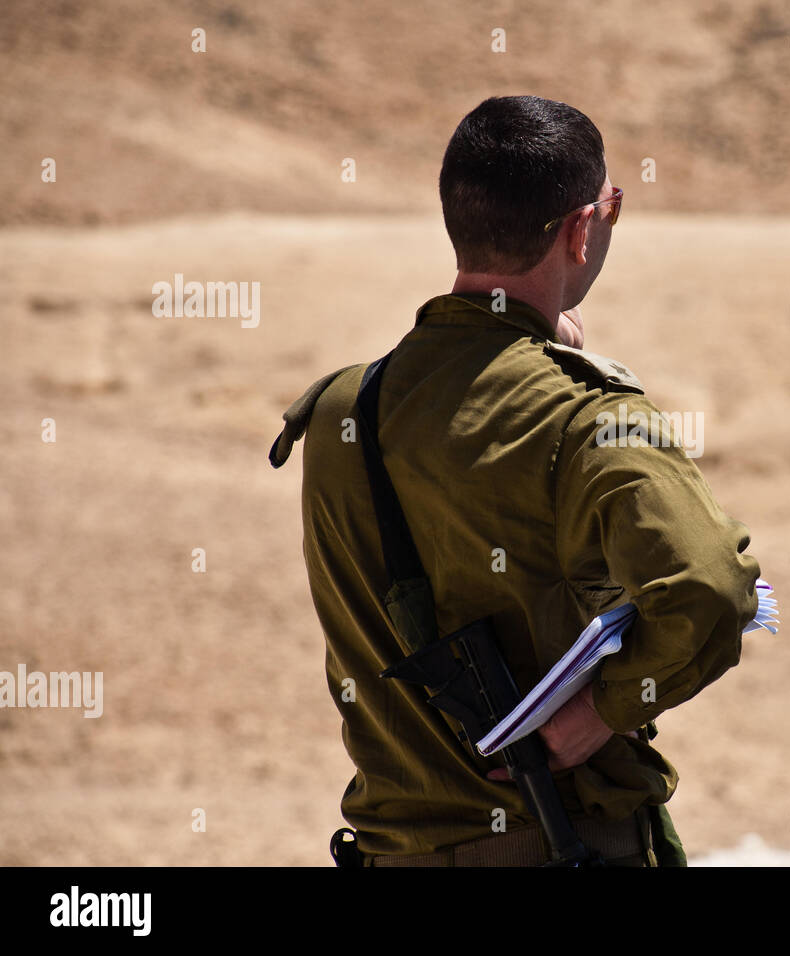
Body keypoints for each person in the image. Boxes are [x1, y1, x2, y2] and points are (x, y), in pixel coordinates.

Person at [269, 95, 760, 866]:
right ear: (581, 229)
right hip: (556, 843)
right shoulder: (585, 418)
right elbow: (711, 589)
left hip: (391, 848)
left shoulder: (338, 410)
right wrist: (603, 708)